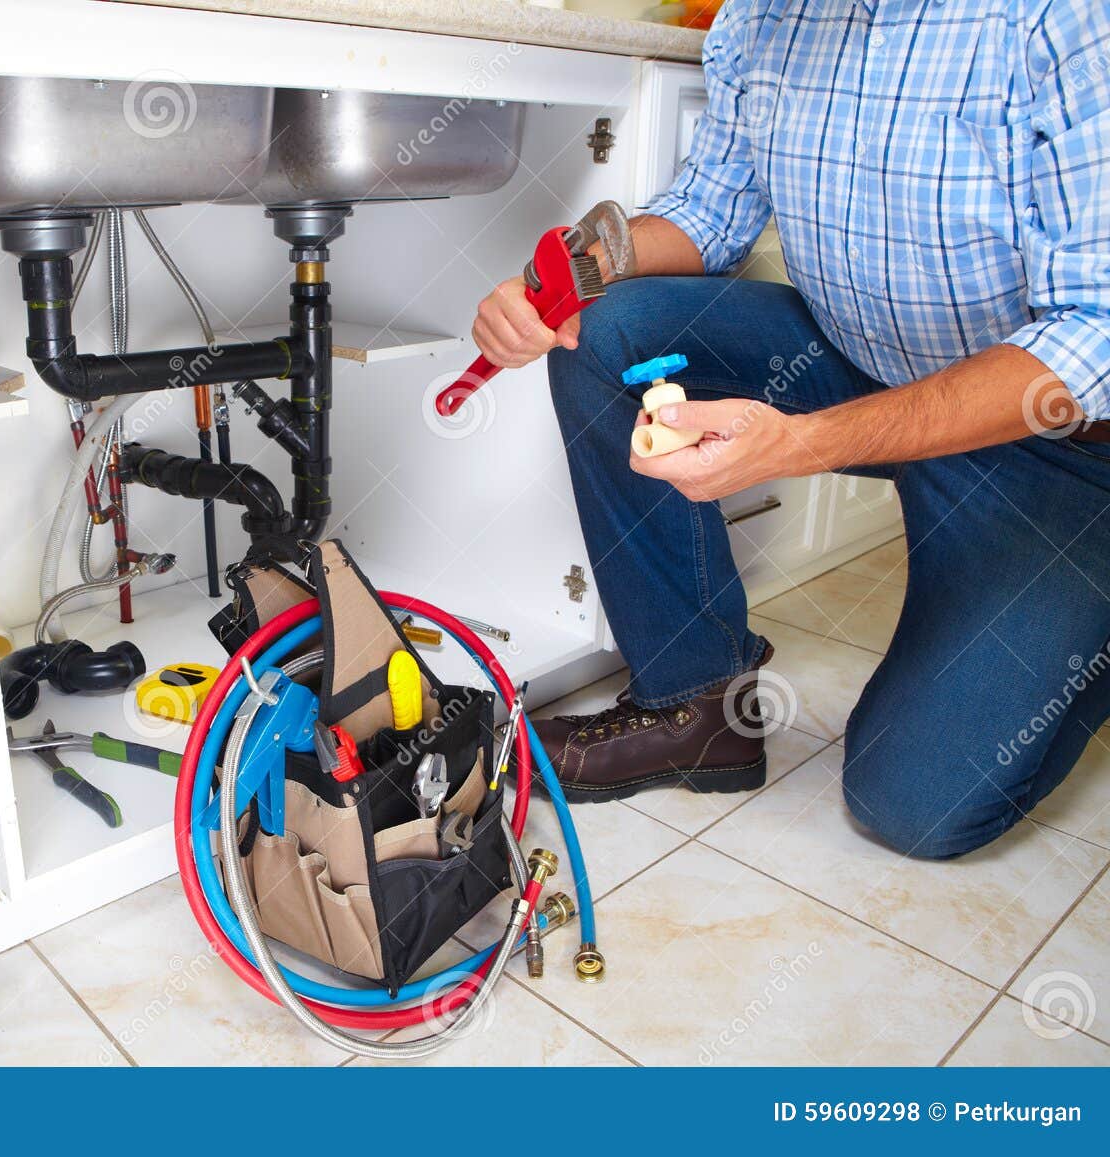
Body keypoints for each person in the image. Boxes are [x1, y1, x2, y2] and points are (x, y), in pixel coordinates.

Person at [471, 0, 1110, 858]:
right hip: (861, 357)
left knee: (911, 806)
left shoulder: (1056, 19)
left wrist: (804, 440)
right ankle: (695, 707)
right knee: (607, 331)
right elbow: (711, 208)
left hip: (1052, 439)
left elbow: (1092, 331)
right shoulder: (762, 17)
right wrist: (566, 275)